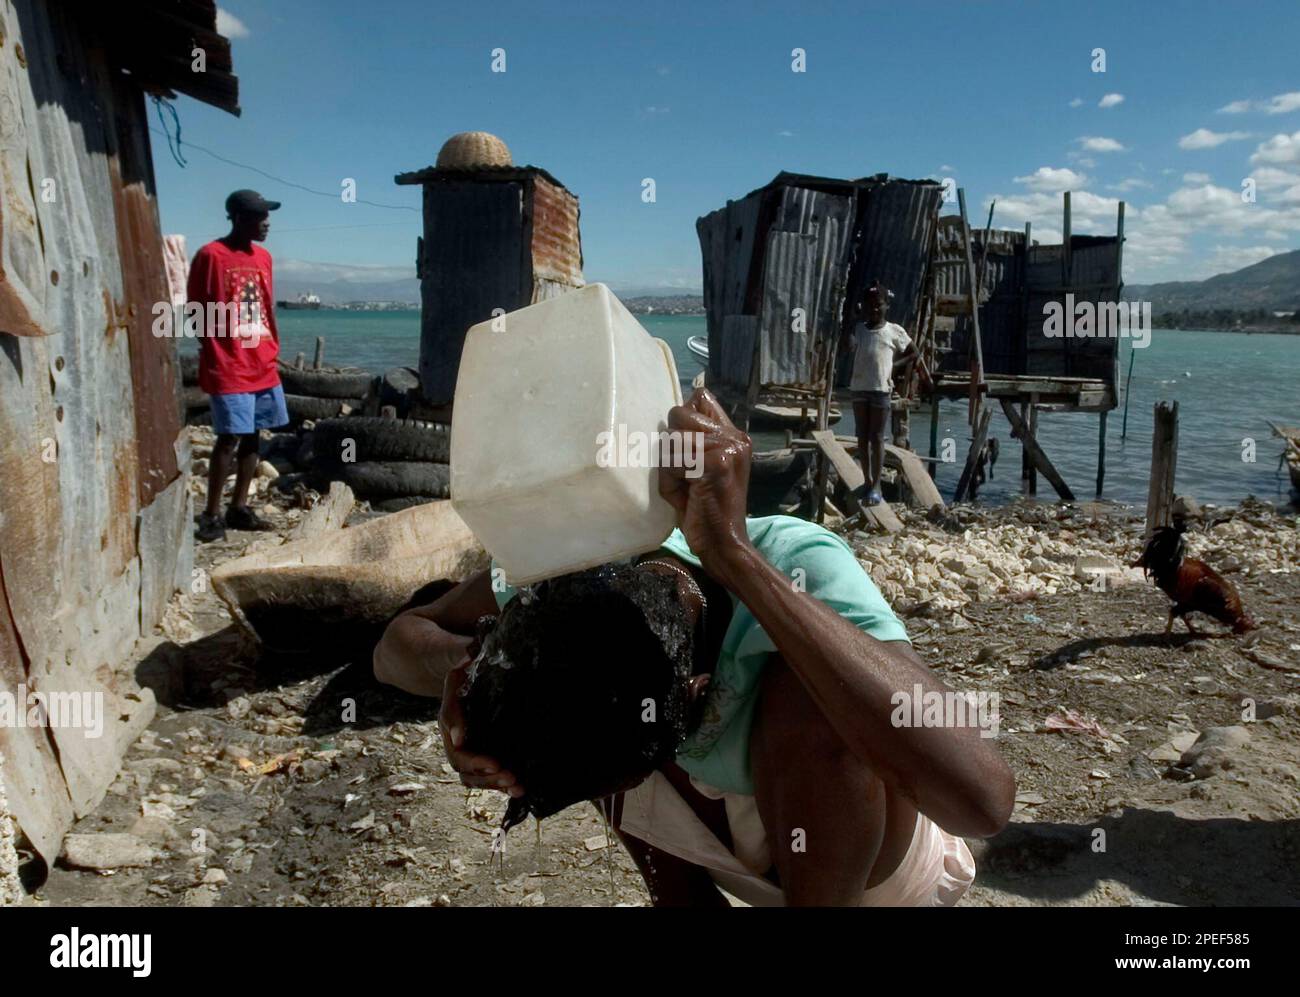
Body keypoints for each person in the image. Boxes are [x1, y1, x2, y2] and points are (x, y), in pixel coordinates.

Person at [373, 387, 1016, 907]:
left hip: (878, 879)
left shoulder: (792, 558)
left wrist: (731, 554)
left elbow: (982, 800)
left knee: (809, 694)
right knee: (577, 709)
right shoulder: (554, 575)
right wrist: (473, 672)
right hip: (728, 857)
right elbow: (396, 646)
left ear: (700, 691)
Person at [190, 189, 288, 543]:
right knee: (227, 437)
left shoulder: (263, 257)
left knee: (254, 435)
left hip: (262, 360)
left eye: (267, 216)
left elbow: (266, 306)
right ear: (238, 218)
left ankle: (239, 507)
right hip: (229, 362)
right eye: (260, 217)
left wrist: (271, 348)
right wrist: (215, 352)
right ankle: (211, 514)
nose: (267, 224)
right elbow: (197, 309)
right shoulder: (210, 256)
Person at [843, 282, 918, 506]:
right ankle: (866, 481)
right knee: (862, 438)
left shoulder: (894, 331)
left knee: (877, 438)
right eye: (870, 306)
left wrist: (894, 365)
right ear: (864, 307)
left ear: (886, 306)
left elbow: (914, 353)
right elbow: (846, 347)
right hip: (859, 388)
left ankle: (876, 486)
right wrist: (851, 319)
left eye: (879, 305)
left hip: (880, 390)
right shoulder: (859, 330)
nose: (874, 309)